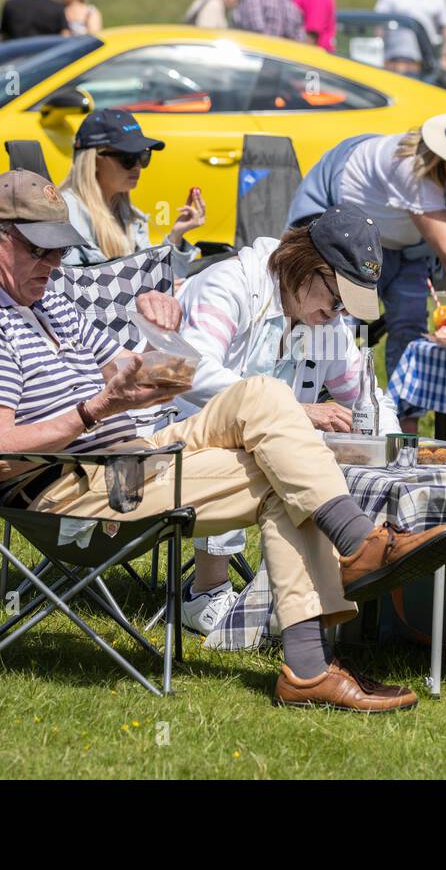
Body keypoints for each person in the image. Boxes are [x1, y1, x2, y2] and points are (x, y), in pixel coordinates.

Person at [0, 168, 446, 710]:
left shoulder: (49, 301)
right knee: (292, 477)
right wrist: (96, 408)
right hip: (81, 488)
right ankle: (317, 650)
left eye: (59, 252)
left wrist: (157, 327)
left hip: (132, 456)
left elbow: (145, 371)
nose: (53, 264)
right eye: (41, 251)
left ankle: (348, 575)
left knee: (271, 409)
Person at [169, 208, 401, 634]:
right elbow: (188, 374)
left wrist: (393, 447)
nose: (338, 312)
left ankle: (302, 595)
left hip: (262, 444)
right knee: (256, 452)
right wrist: (296, 412)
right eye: (336, 298)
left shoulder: (324, 318)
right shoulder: (231, 284)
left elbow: (369, 397)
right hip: (169, 433)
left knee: (314, 452)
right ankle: (204, 593)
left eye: (347, 304)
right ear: (306, 267)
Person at [286, 96, 446, 432]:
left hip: (403, 241)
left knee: (410, 329)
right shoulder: (410, 166)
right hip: (336, 217)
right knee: (329, 319)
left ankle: (401, 433)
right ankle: (313, 416)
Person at [58, 109, 200, 276]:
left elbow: (155, 274)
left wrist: (177, 234)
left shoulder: (129, 215)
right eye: (128, 158)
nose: (138, 166)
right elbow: (76, 286)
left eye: (143, 156)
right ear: (94, 159)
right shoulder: (66, 214)